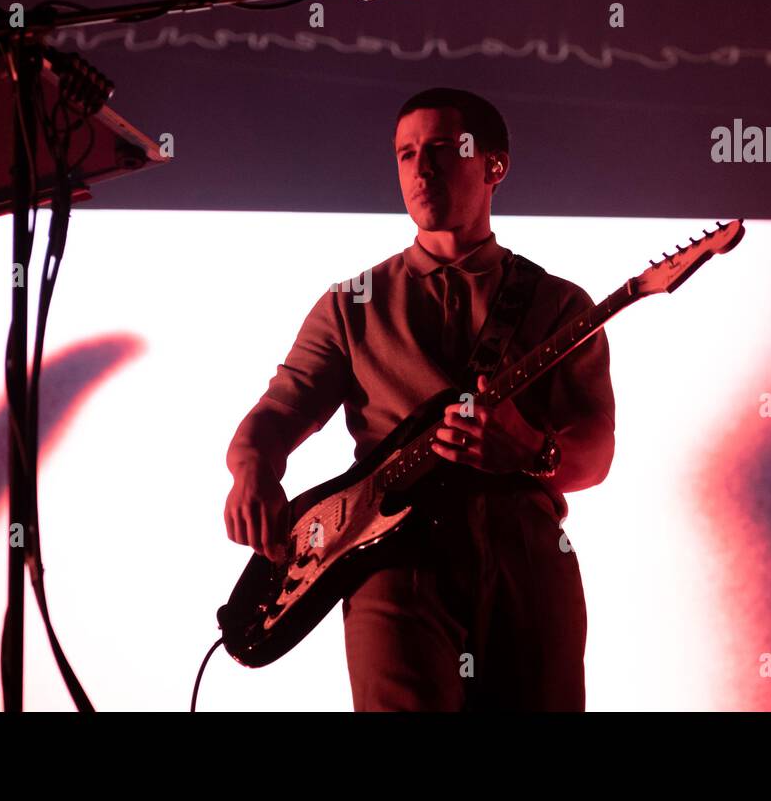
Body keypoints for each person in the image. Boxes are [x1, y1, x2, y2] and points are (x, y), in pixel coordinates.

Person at [223, 88, 615, 710]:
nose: (421, 169)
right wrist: (252, 472)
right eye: (405, 154)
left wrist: (532, 453)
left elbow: (595, 452)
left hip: (527, 563)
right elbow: (276, 415)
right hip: (393, 565)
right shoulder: (351, 303)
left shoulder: (562, 304)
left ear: (495, 165)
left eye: (441, 149)